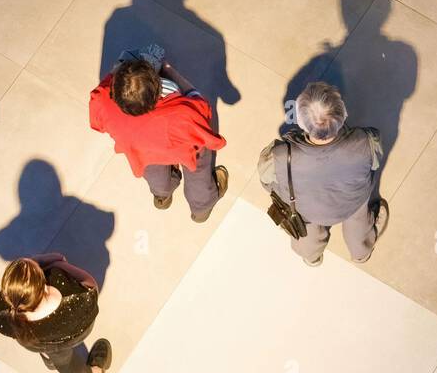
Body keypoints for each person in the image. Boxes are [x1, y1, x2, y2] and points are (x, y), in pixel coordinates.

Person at [258, 82, 389, 268]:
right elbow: (374, 164)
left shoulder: (278, 157)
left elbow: (267, 185)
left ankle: (311, 257)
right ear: (343, 114)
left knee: (307, 235)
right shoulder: (367, 140)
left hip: (307, 212)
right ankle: (361, 252)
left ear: (301, 121)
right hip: (353, 201)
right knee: (358, 224)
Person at [90, 53, 228, 222]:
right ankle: (201, 207)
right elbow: (202, 109)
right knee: (198, 166)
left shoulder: (103, 102)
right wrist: (170, 71)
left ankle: (162, 196)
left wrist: (115, 72)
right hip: (182, 149)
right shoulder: (183, 113)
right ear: (158, 87)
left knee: (153, 171)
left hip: (143, 152)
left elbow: (96, 120)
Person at [0, 254, 112, 373]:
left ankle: (48, 357)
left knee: (58, 358)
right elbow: (91, 285)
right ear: (43, 286)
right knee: (68, 364)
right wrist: (59, 263)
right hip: (74, 334)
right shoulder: (64, 283)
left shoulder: (6, 312)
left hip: (37, 342)